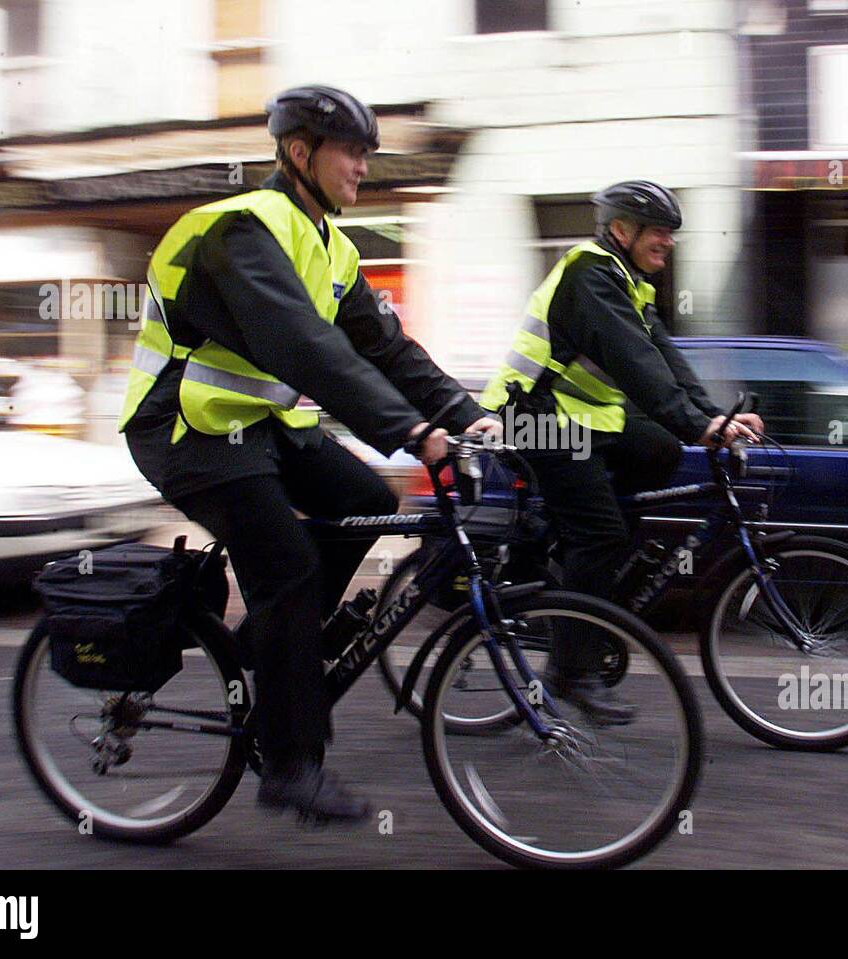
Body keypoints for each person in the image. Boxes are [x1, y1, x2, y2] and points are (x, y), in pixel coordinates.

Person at [118, 84, 498, 824]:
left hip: (253, 424)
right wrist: (412, 432)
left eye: (366, 154)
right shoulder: (242, 229)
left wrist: (468, 415)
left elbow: (387, 348)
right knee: (287, 564)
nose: (363, 166)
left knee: (365, 499)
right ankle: (291, 767)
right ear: (300, 152)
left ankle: (268, 641)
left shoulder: (331, 247)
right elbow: (307, 346)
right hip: (183, 429)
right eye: (351, 151)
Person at [480, 180, 762, 722]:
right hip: (531, 418)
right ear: (621, 231)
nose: (668, 242)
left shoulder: (631, 285)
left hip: (581, 419)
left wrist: (711, 419)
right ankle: (572, 671)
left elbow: (664, 359)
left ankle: (578, 560)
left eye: (671, 233)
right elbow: (635, 362)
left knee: (659, 451)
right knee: (600, 532)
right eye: (659, 231)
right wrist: (699, 425)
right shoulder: (589, 272)